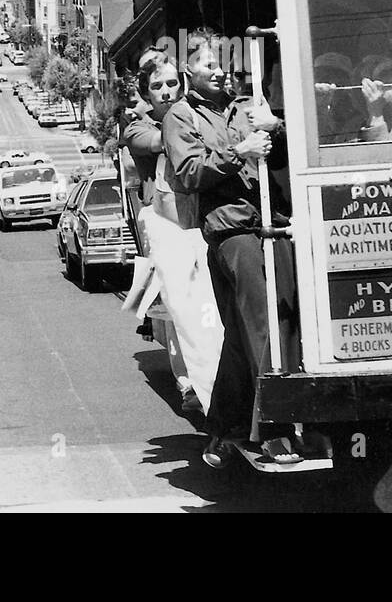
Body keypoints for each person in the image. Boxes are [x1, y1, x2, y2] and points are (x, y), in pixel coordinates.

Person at [162, 30, 303, 467]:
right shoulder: (181, 116)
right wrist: (239, 150)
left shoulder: (247, 106)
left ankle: (224, 428)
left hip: (271, 226)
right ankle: (274, 431)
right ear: (189, 71)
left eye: (223, 63)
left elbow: (278, 160)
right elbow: (187, 173)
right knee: (265, 327)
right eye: (209, 64)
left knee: (254, 333)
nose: (220, 71)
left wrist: (275, 131)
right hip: (232, 235)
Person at [135, 54, 222, 418]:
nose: (166, 92)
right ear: (146, 93)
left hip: (196, 221)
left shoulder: (192, 114)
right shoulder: (138, 127)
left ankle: (215, 377)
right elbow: (160, 142)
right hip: (166, 225)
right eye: (157, 86)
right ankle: (190, 384)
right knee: (177, 310)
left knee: (206, 307)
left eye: (172, 84)